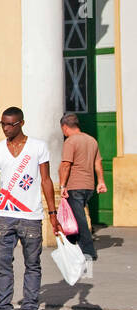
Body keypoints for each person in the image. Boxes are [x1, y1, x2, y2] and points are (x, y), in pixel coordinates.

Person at [0, 108, 59, 310]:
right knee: (3, 264)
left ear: (21, 123)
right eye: (3, 124)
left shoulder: (38, 147)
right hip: (4, 217)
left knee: (32, 264)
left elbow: (45, 180)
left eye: (10, 125)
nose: (6, 129)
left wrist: (53, 214)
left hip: (31, 217)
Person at [59, 113, 104, 263]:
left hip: (75, 185)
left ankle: (88, 251)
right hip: (88, 186)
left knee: (79, 219)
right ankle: (72, 246)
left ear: (65, 127)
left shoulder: (70, 142)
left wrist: (62, 185)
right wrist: (101, 182)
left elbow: (66, 164)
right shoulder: (92, 140)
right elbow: (98, 164)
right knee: (75, 217)